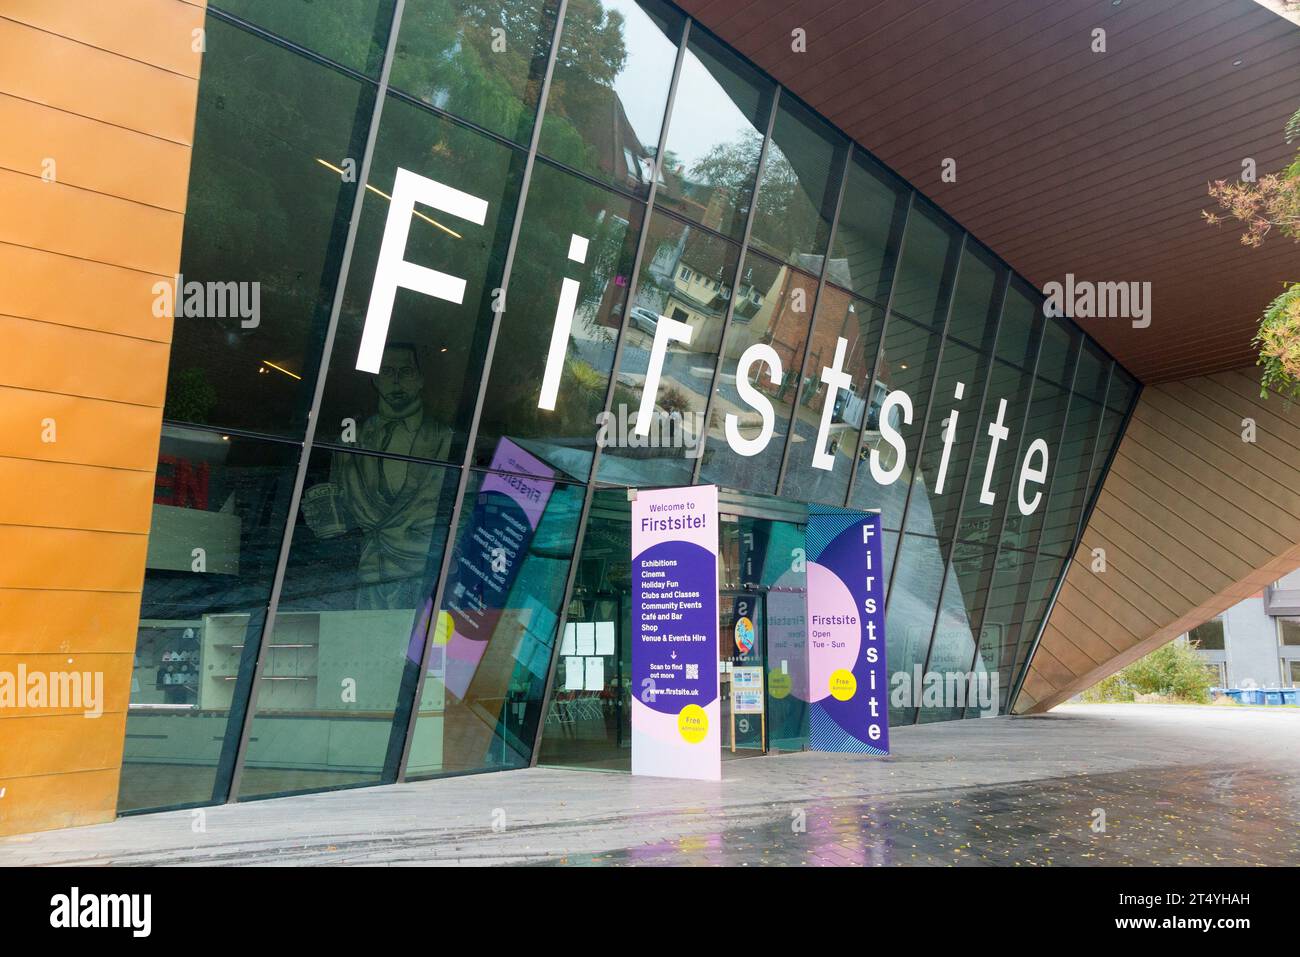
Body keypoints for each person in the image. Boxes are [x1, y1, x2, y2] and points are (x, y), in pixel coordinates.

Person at [302, 342, 451, 610]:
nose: (395, 381)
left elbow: (462, 510)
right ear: (374, 379)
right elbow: (339, 510)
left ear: (420, 380)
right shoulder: (349, 441)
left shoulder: (446, 440)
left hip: (424, 574)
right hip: (369, 572)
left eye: (405, 371)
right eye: (386, 371)